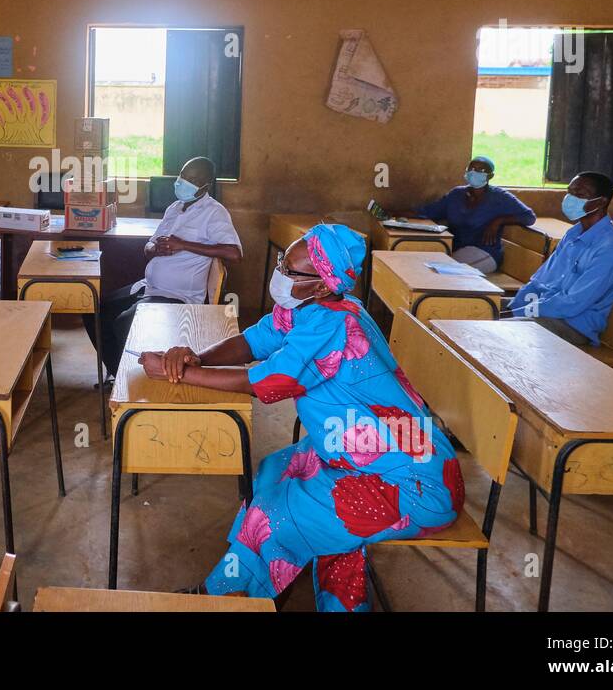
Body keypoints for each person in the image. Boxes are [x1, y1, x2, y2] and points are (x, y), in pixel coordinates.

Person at [139, 224, 462, 610]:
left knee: (274, 517)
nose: (280, 273)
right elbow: (251, 342)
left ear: (323, 286)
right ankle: (262, 589)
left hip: (412, 482)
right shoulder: (306, 309)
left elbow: (272, 381)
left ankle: (220, 599)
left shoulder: (335, 323)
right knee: (274, 469)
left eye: (291, 271)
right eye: (282, 262)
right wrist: (195, 357)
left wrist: (183, 373)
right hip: (365, 455)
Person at [83, 156, 241, 379]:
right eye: (183, 175)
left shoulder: (214, 213)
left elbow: (234, 253)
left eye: (193, 179)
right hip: (149, 286)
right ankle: (119, 373)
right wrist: (154, 249)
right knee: (94, 310)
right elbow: (149, 245)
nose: (184, 182)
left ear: (205, 185)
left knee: (123, 323)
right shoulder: (175, 208)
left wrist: (183, 244)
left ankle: (134, 383)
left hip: (177, 295)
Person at [504, 171, 613, 346]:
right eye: (569, 192)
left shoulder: (612, 248)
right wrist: (514, 307)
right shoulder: (573, 234)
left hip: (573, 325)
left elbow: (573, 303)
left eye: (579, 195)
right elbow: (539, 281)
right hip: (542, 309)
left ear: (602, 202)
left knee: (499, 331)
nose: (570, 199)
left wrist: (520, 312)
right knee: (477, 308)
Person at [415, 156, 535, 274]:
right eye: (471, 169)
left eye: (480, 171)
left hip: (485, 253)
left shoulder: (500, 197)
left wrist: (498, 221)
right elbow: (427, 212)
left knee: (447, 272)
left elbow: (529, 217)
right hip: (457, 250)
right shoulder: (456, 194)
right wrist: (398, 215)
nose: (474, 173)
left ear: (490, 176)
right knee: (428, 267)